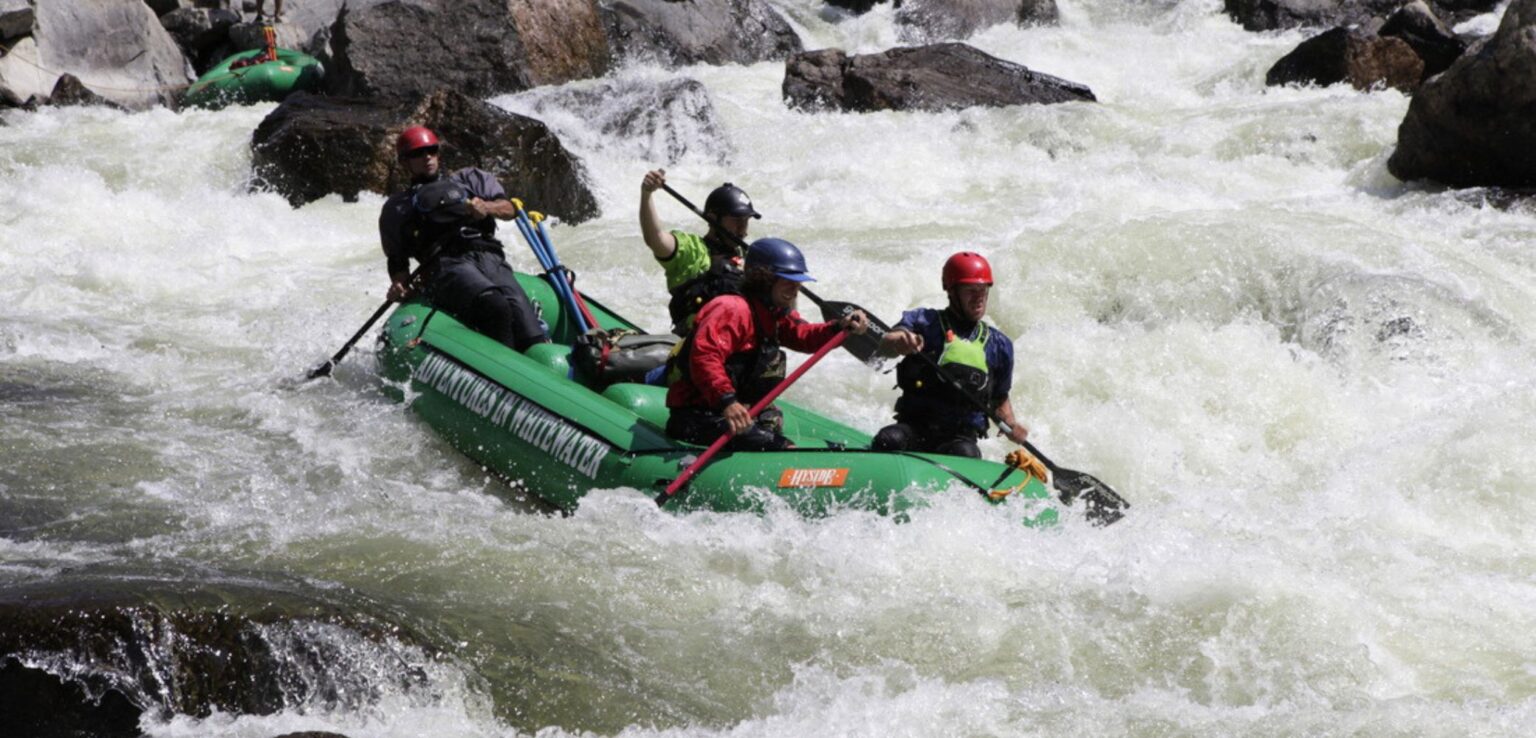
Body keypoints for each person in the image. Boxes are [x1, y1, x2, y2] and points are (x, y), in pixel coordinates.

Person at [665, 238, 867, 451]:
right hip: (698, 416)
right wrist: (728, 402)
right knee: (778, 445)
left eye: (798, 283)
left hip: (736, 411)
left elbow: (803, 336)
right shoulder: (731, 309)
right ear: (764, 280)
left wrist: (839, 328)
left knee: (772, 418)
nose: (795, 289)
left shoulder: (774, 315)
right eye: (788, 281)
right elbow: (705, 358)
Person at [379, 125, 548, 351]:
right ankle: (503, 364)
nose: (427, 157)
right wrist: (400, 285)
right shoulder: (397, 208)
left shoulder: (470, 179)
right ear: (405, 162)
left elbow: (509, 208)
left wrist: (486, 207)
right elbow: (397, 260)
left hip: (488, 256)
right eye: (418, 153)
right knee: (494, 304)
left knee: (528, 329)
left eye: (431, 150)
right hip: (445, 265)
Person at [872, 251, 1029, 458]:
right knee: (888, 439)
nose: (979, 298)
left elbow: (999, 397)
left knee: (966, 453)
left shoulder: (1000, 345)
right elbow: (886, 343)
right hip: (914, 427)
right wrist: (901, 341)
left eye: (983, 290)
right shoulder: (924, 322)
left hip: (959, 438)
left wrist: (1010, 423)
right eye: (970, 290)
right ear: (952, 291)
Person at [638, 169, 761, 335]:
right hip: (697, 342)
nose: (742, 229)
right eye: (736, 220)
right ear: (712, 218)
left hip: (738, 341)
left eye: (746, 221)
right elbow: (656, 238)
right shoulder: (693, 250)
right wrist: (646, 195)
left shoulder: (748, 257)